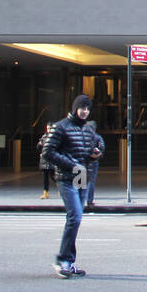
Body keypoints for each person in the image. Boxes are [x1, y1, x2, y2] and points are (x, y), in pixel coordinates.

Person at [42, 95, 104, 278]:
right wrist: (70, 165)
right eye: (82, 108)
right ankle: (62, 259)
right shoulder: (61, 127)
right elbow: (48, 151)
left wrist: (96, 154)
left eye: (87, 108)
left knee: (76, 218)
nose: (85, 111)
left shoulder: (87, 129)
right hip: (67, 176)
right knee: (75, 216)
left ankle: (68, 261)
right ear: (75, 108)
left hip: (82, 175)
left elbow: (98, 143)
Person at [39, 121, 55, 200]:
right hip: (45, 160)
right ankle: (45, 192)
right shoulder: (44, 137)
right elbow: (39, 148)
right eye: (48, 128)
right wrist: (39, 145)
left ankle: (62, 189)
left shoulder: (56, 137)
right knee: (45, 177)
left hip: (52, 159)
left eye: (50, 128)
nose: (49, 130)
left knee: (53, 175)